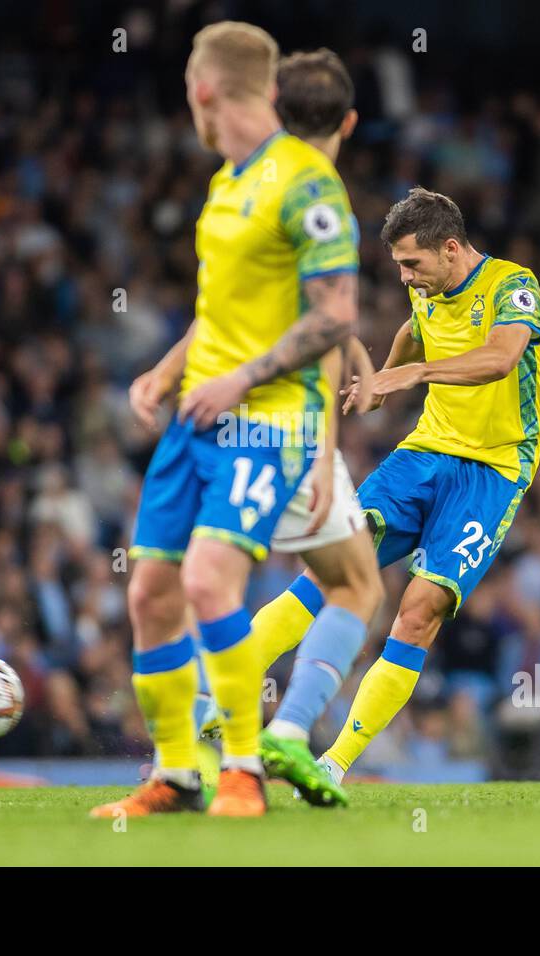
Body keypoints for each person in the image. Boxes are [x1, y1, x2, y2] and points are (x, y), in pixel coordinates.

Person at [91, 21, 360, 818]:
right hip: (195, 420)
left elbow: (337, 315)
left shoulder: (306, 183)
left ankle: (241, 769)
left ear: (204, 91)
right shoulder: (224, 185)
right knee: (150, 594)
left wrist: (242, 378)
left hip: (268, 419)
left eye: (188, 97)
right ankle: (175, 775)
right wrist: (166, 371)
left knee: (211, 582)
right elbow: (220, 315)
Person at [264, 187, 540, 788]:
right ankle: (227, 697)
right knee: (332, 565)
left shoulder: (512, 288)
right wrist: (380, 377)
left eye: (412, 264)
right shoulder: (427, 289)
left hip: (492, 472)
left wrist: (411, 374)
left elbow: (500, 359)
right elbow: (414, 333)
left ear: (451, 248)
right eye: (398, 265)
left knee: (418, 612)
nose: (404, 276)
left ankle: (334, 762)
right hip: (422, 454)